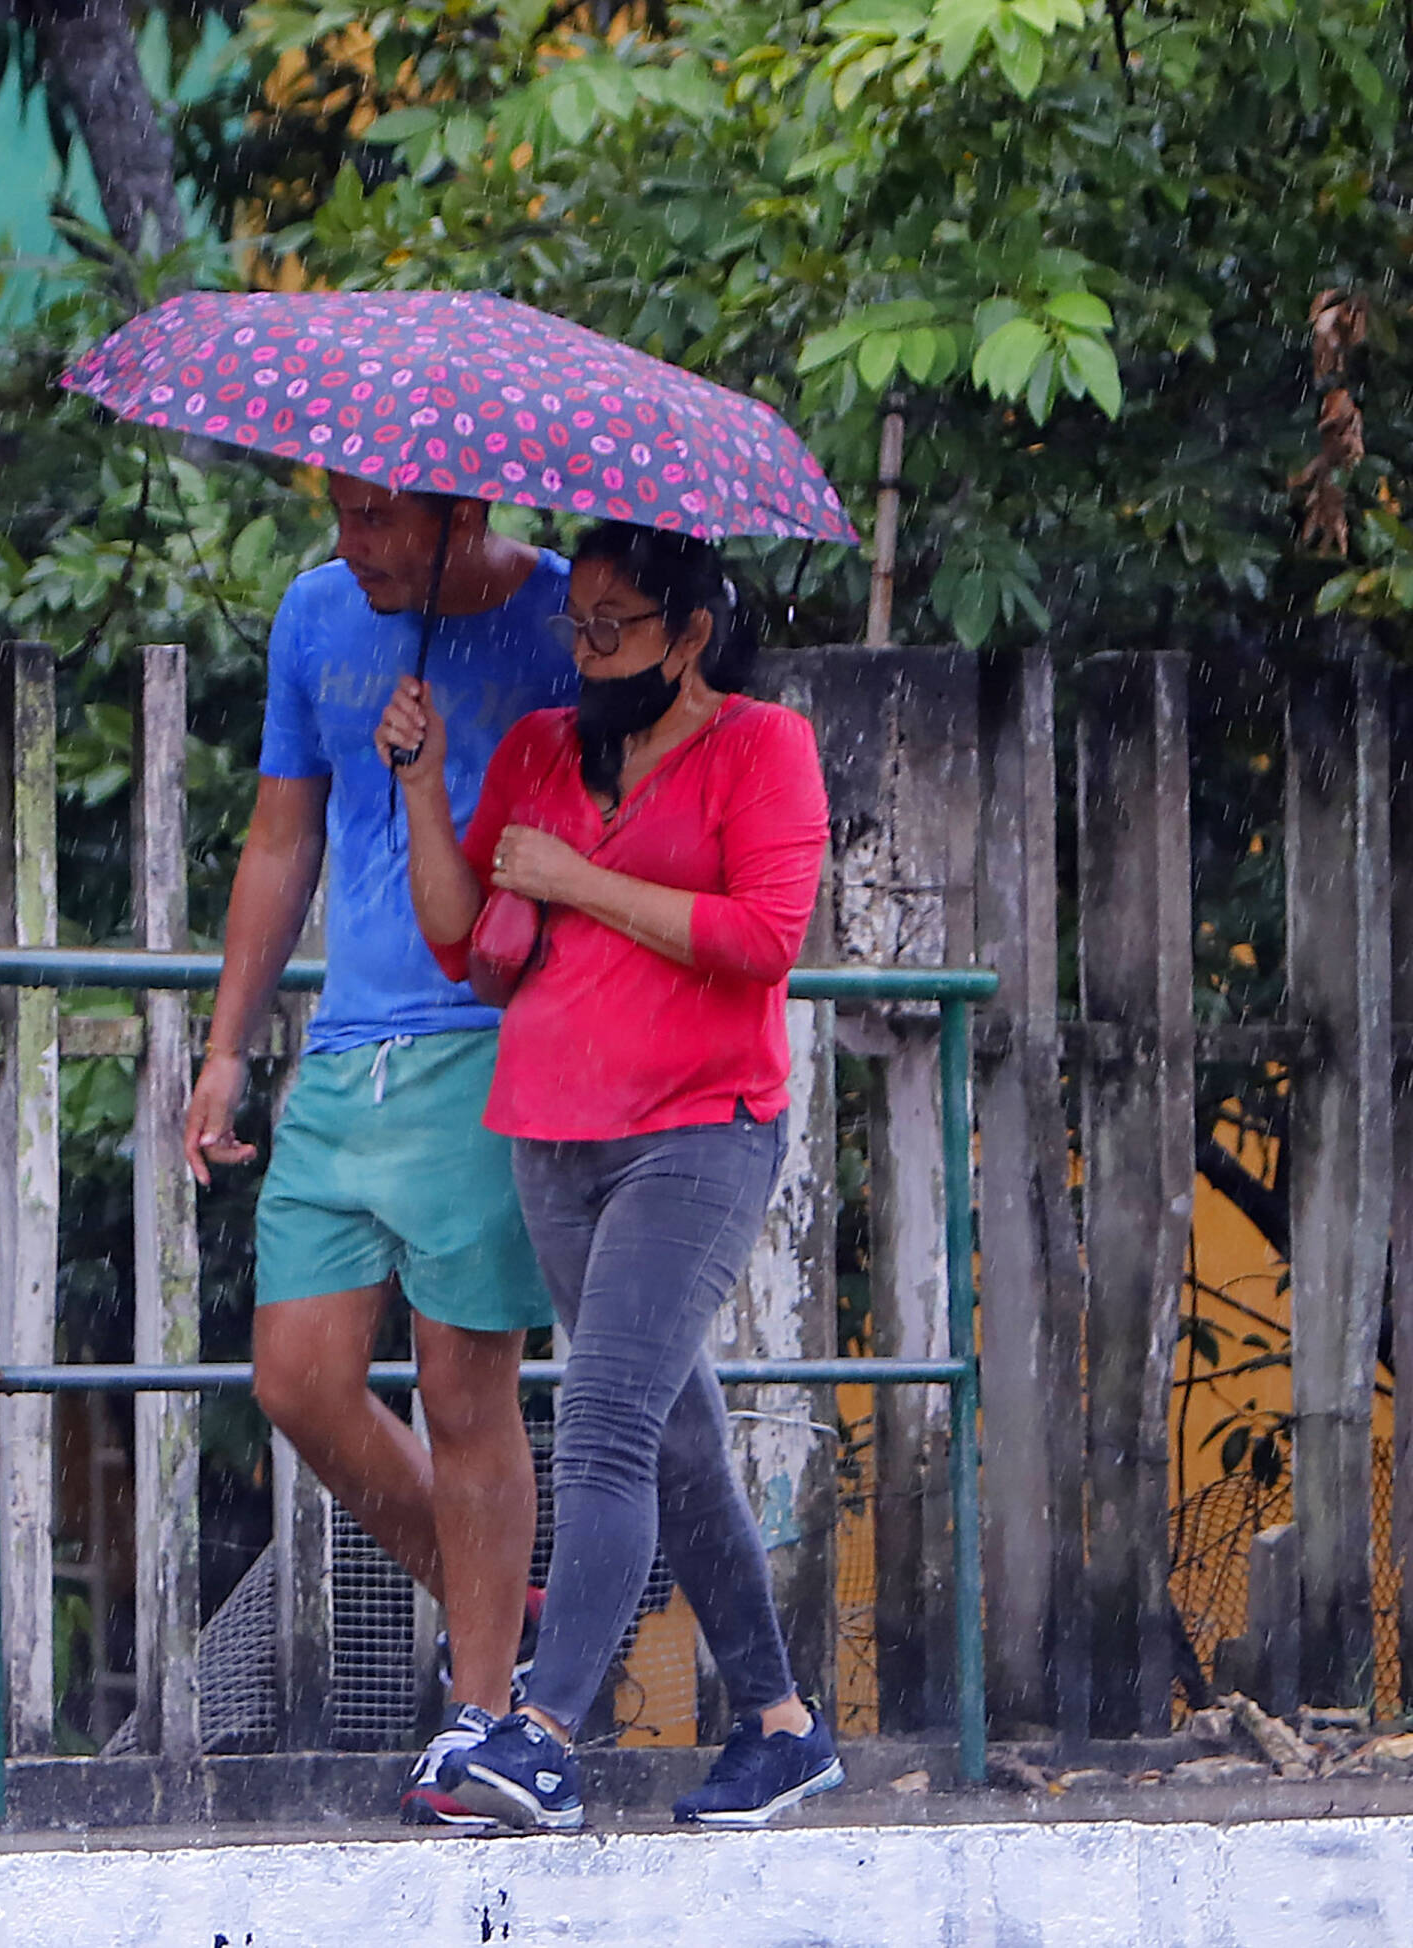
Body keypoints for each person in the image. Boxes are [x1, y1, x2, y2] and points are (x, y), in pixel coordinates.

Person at [372, 520, 843, 1832]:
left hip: (698, 1132)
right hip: (552, 1134)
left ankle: (543, 1734)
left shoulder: (763, 748)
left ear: (690, 635)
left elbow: (763, 937)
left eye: (615, 627)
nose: (585, 651)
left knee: (605, 1426)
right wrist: (423, 786)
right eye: (576, 624)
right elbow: (464, 938)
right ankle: (780, 1726)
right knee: (677, 1441)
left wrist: (584, 876)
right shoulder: (538, 751)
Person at [185, 474, 576, 1825]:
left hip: (486, 1037)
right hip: (348, 1050)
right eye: (339, 514)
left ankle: (480, 1722)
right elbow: (282, 836)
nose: (348, 546)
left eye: (376, 519)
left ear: (458, 517)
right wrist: (231, 1044)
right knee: (296, 1379)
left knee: (470, 1398)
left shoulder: (565, 616)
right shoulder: (315, 616)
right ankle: (507, 1613)